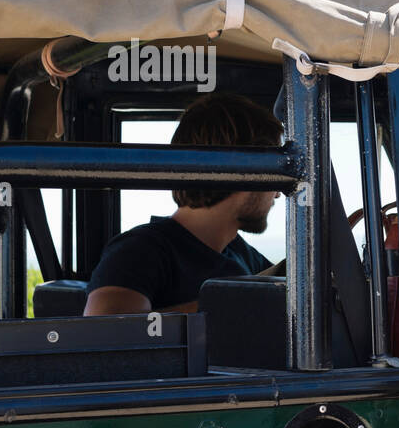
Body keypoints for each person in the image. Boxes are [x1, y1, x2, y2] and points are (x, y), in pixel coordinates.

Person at [83, 92, 283, 316]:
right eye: (274, 175)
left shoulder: (240, 253)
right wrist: (231, 307)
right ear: (244, 170)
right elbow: (106, 334)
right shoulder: (140, 250)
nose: (277, 194)